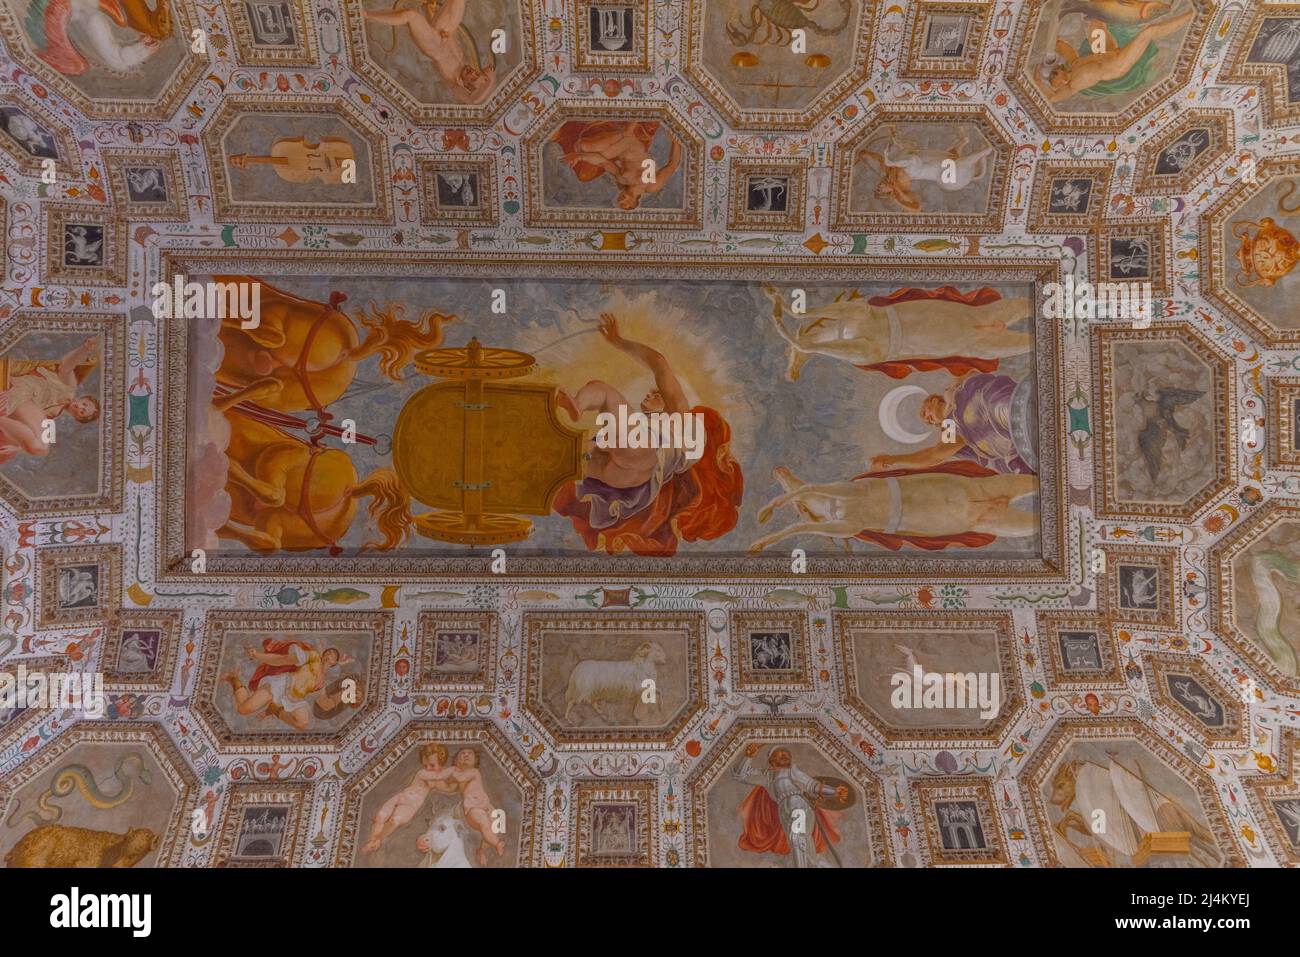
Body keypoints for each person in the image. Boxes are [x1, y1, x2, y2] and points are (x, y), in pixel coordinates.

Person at [553, 314, 743, 556]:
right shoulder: (657, 431)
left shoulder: (679, 416)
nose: (648, 395)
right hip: (623, 480)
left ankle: (579, 406)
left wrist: (617, 340)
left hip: (643, 454)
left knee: (604, 392)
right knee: (565, 460)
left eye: (656, 393)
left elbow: (658, 362)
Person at [869, 372, 1036, 475]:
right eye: (927, 421)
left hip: (994, 399)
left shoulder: (952, 391)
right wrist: (892, 460)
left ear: (932, 400)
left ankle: (1019, 410)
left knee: (1001, 405)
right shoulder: (949, 425)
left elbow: (966, 370)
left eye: (924, 413)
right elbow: (934, 455)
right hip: (1003, 435)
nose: (927, 419)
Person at [1033, 3, 1194, 104]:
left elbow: (1061, 45)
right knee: (1148, 32)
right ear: (1059, 84)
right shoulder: (1074, 85)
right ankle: (1191, 15)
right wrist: (1038, 81)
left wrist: (1048, 52)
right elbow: (1052, 98)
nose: (1057, 69)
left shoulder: (1074, 63)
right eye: (1055, 74)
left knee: (1096, 21)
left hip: (1109, 51)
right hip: (1118, 65)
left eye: (1054, 70)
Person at [734, 744, 848, 868]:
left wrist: (834, 791)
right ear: (771, 759)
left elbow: (812, 785)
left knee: (796, 838)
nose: (784, 754)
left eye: (786, 753)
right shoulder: (766, 776)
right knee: (802, 847)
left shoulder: (791, 770)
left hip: (798, 803)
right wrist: (748, 756)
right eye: (780, 752)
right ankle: (819, 864)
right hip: (784, 810)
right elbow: (740, 776)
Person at [364, 0, 497, 104]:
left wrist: (490, 81)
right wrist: (430, 12)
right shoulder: (463, 59)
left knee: (410, 15)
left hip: (434, 46)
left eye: (473, 78)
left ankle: (367, 15)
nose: (473, 72)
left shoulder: (455, 82)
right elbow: (436, 31)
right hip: (445, 30)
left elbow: (472, 100)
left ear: (466, 85)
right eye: (477, 73)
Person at [0, 337, 100, 462]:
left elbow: (42, 436)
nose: (80, 408)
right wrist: (84, 349)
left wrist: (18, 447)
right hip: (25, 390)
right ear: (82, 398)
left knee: (40, 449)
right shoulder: (70, 389)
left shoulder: (54, 417)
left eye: (82, 412)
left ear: (78, 418)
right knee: (42, 447)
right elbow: (66, 366)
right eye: (84, 404)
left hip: (26, 404)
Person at [551, 120, 683, 210]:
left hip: (620, 148)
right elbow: (672, 165)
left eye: (620, 203)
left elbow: (603, 162)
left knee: (581, 146)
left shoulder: (622, 179)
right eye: (625, 204)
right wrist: (675, 142)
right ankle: (628, 131)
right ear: (634, 203)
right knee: (587, 148)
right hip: (631, 145)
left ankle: (624, 132)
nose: (620, 201)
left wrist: (579, 157)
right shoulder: (651, 185)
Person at [363, 744, 450, 853]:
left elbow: (450, 789)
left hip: (410, 806)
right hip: (401, 796)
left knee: (394, 821)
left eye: (432, 765)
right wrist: (453, 771)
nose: (428, 768)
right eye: (425, 765)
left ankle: (377, 840)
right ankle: (372, 841)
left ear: (441, 765)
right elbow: (437, 777)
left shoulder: (438, 782)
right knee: (380, 816)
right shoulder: (422, 773)